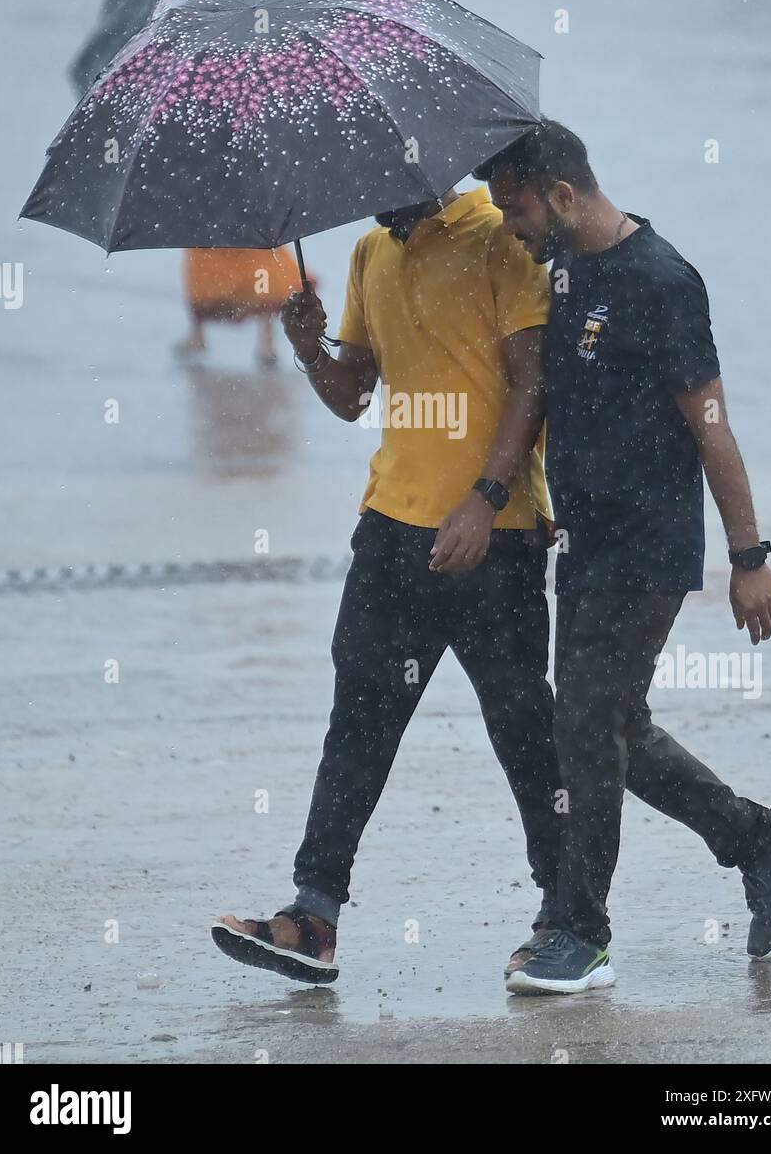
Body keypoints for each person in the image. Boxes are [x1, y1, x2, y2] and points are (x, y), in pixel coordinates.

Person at [476, 121, 771, 995]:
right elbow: (558, 395)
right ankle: (758, 838)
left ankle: (582, 933)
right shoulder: (564, 269)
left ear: (559, 194)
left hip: (652, 544)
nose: (509, 226)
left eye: (514, 207)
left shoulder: (663, 282)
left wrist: (750, 557)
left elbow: (712, 425)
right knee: (609, 725)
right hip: (584, 541)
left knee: (585, 724)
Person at [212, 184, 563, 984]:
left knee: (522, 731)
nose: (358, 194)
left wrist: (487, 499)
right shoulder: (370, 252)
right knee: (357, 724)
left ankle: (563, 912)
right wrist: (308, 350)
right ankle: (314, 917)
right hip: (390, 532)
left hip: (495, 535)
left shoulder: (498, 239)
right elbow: (353, 398)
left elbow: (534, 385)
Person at [175, 245, 303, 367]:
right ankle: (267, 344)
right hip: (250, 236)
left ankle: (197, 336)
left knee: (204, 264)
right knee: (262, 264)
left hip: (214, 238)